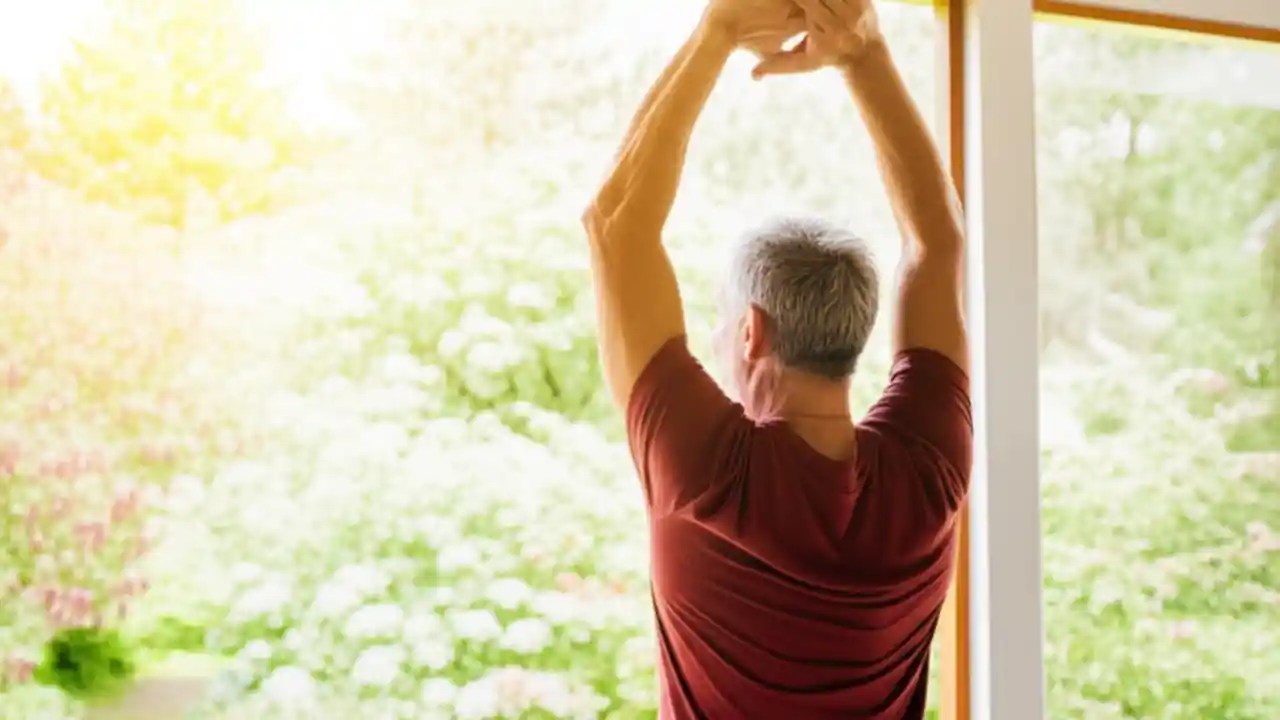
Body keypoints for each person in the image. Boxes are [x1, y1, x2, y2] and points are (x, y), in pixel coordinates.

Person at [582, 0, 971, 716]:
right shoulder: (928, 476)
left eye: (723, 322)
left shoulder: (707, 473)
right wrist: (864, 53)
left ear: (752, 334)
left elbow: (614, 224)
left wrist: (720, 30)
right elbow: (937, 245)